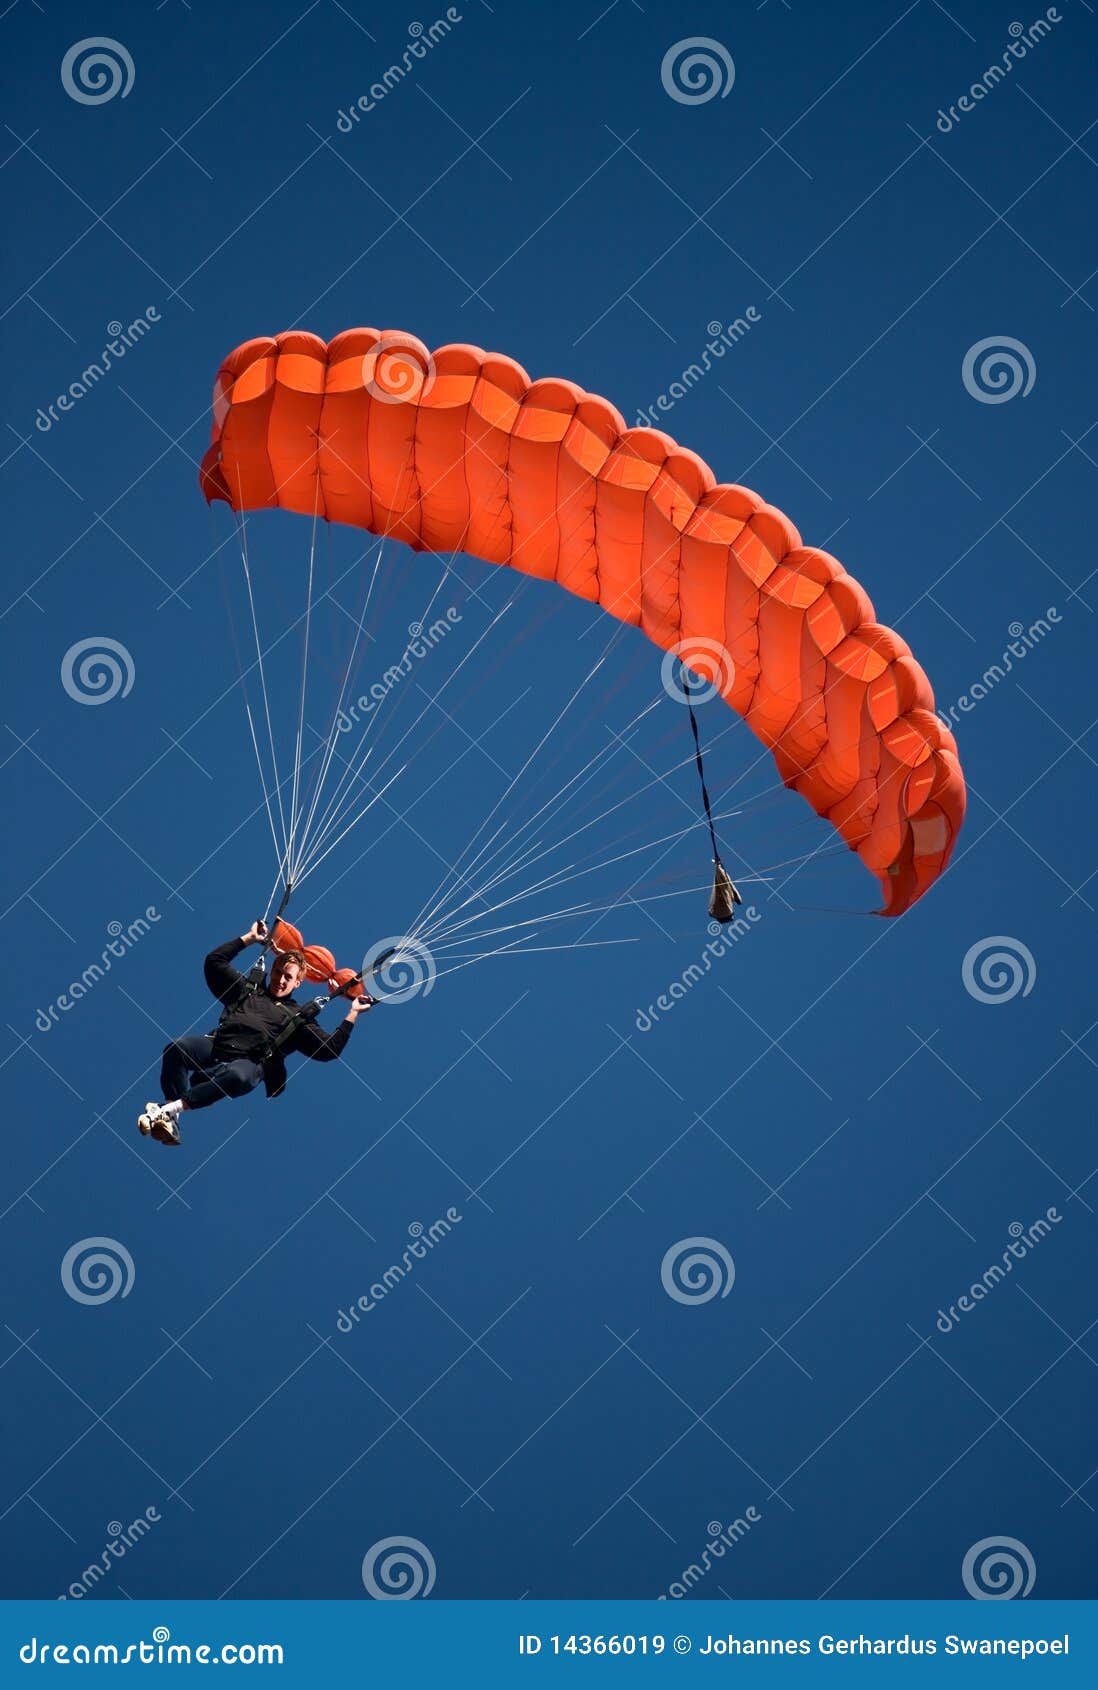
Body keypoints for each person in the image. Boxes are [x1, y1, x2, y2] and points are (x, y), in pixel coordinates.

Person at [138, 920, 372, 1146]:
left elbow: (329, 1050)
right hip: (218, 1045)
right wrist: (248, 939)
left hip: (250, 1062)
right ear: (271, 971)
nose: (281, 979)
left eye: (288, 977)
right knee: (177, 1049)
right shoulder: (247, 990)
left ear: (298, 983)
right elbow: (214, 962)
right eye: (278, 972)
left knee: (237, 1077)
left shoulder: (297, 1018)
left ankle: (170, 1109)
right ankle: (169, 1117)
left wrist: (353, 1013)